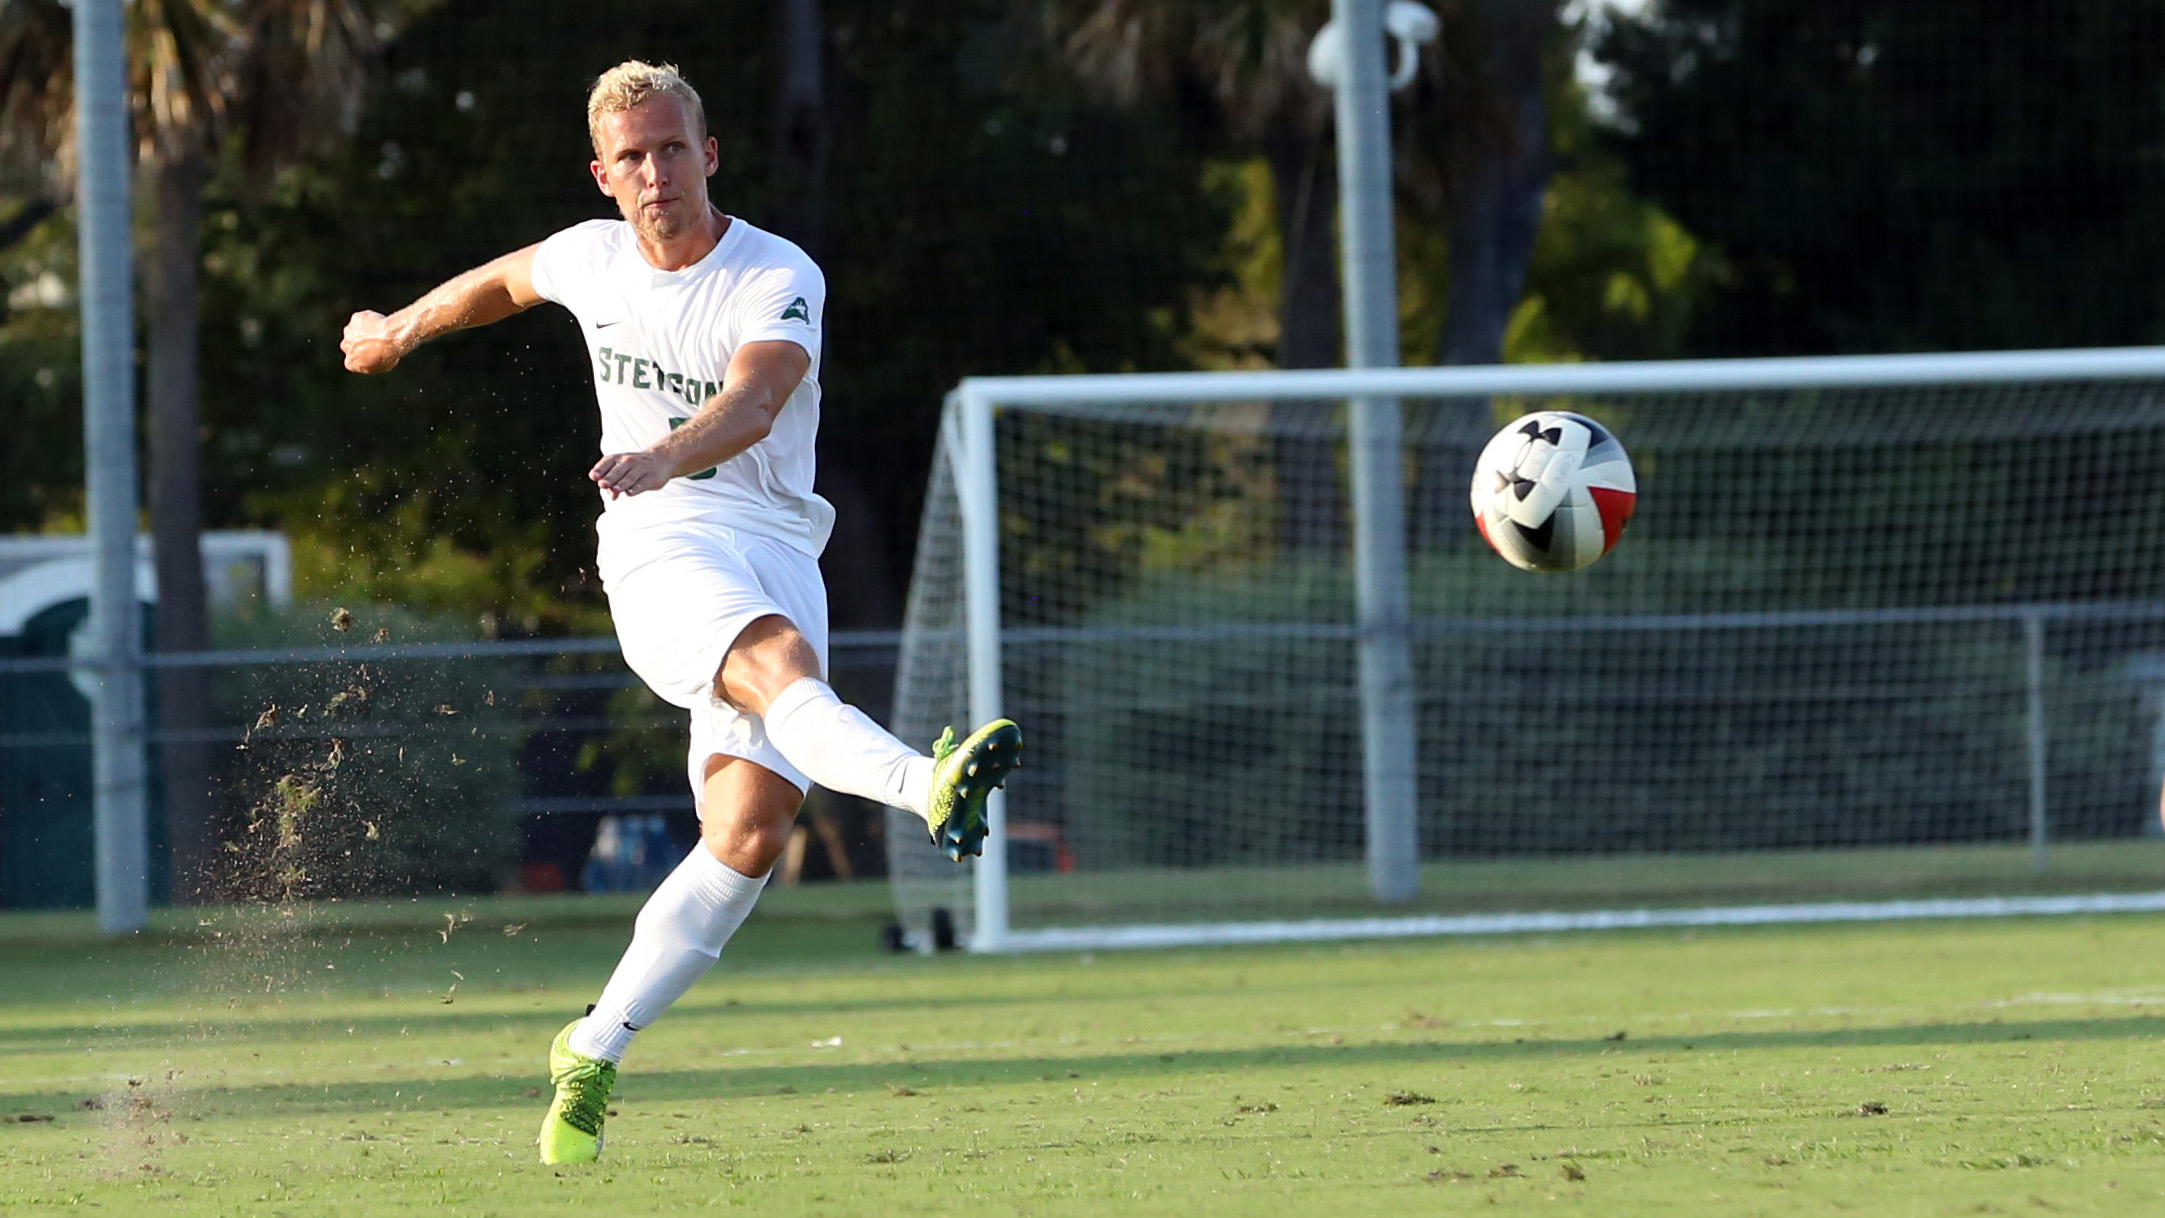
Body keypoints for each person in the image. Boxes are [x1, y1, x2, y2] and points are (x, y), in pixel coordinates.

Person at [339, 60, 1020, 1166]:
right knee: (780, 661)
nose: (655, 174)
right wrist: (402, 328)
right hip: (656, 539)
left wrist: (664, 449)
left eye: (671, 149)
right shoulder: (591, 255)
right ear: (602, 174)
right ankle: (922, 786)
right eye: (632, 157)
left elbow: (754, 403)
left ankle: (593, 1048)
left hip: (770, 538)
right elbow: (504, 283)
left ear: (707, 156)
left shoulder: (776, 272)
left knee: (745, 836)